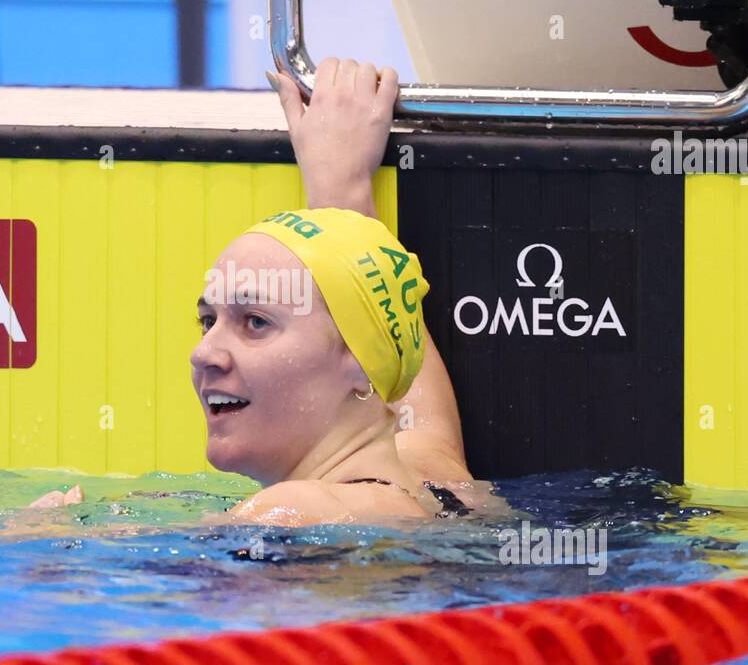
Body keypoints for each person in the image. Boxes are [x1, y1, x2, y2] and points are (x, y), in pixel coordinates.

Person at [31, 57, 497, 526]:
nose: (204, 353)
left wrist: (40, 546)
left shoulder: (288, 513)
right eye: (208, 321)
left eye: (256, 322)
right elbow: (391, 336)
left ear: (357, 359)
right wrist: (342, 188)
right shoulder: (443, 483)